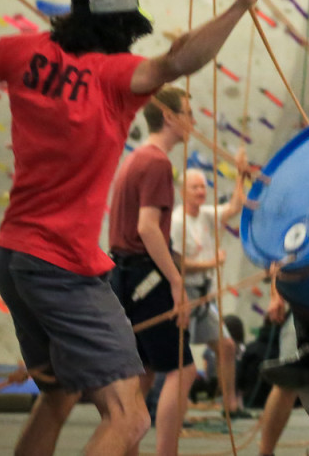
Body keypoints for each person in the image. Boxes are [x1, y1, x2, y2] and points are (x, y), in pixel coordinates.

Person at [0, 0, 269, 456]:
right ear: (126, 30)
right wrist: (240, 5)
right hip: (63, 266)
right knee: (129, 415)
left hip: (13, 257)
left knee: (57, 396)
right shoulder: (114, 76)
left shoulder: (24, 53)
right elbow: (178, 60)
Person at [109, 85, 198, 456]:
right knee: (182, 369)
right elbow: (147, 227)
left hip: (123, 275)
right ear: (170, 117)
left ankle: (125, 447)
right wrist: (177, 282)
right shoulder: (158, 163)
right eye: (189, 113)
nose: (194, 122)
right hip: (145, 277)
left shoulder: (134, 158)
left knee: (142, 371)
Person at [170, 161, 249, 418]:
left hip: (203, 295)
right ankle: (171, 411)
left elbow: (235, 207)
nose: (201, 192)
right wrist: (211, 263)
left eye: (203, 187)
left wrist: (240, 174)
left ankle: (230, 406)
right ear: (183, 191)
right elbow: (177, 264)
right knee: (176, 357)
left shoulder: (205, 214)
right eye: (195, 188)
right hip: (183, 293)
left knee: (226, 346)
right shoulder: (177, 221)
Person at [258, 288, 309, 456]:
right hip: (304, 310)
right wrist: (276, 296)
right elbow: (279, 264)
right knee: (286, 382)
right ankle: (265, 453)